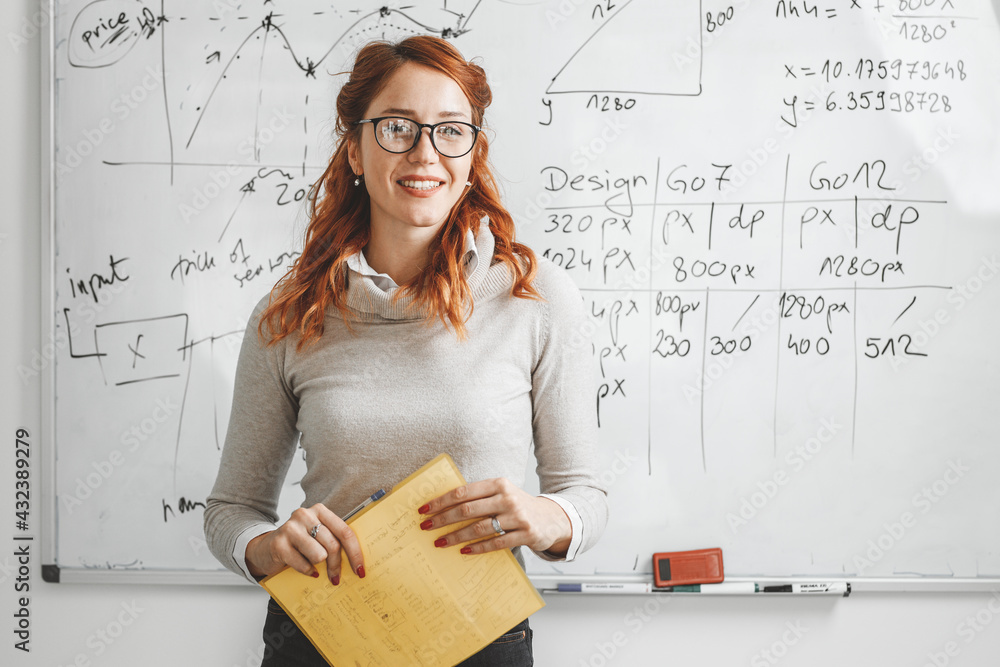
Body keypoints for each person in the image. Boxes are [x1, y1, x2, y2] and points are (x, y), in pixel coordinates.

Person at [204, 34, 607, 666]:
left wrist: (543, 518)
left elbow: (585, 496)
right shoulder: (288, 314)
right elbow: (232, 511)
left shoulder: (536, 296)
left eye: (451, 131)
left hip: (480, 637)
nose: (425, 154)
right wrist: (269, 546)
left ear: (473, 152)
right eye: (398, 128)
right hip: (319, 637)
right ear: (356, 150)